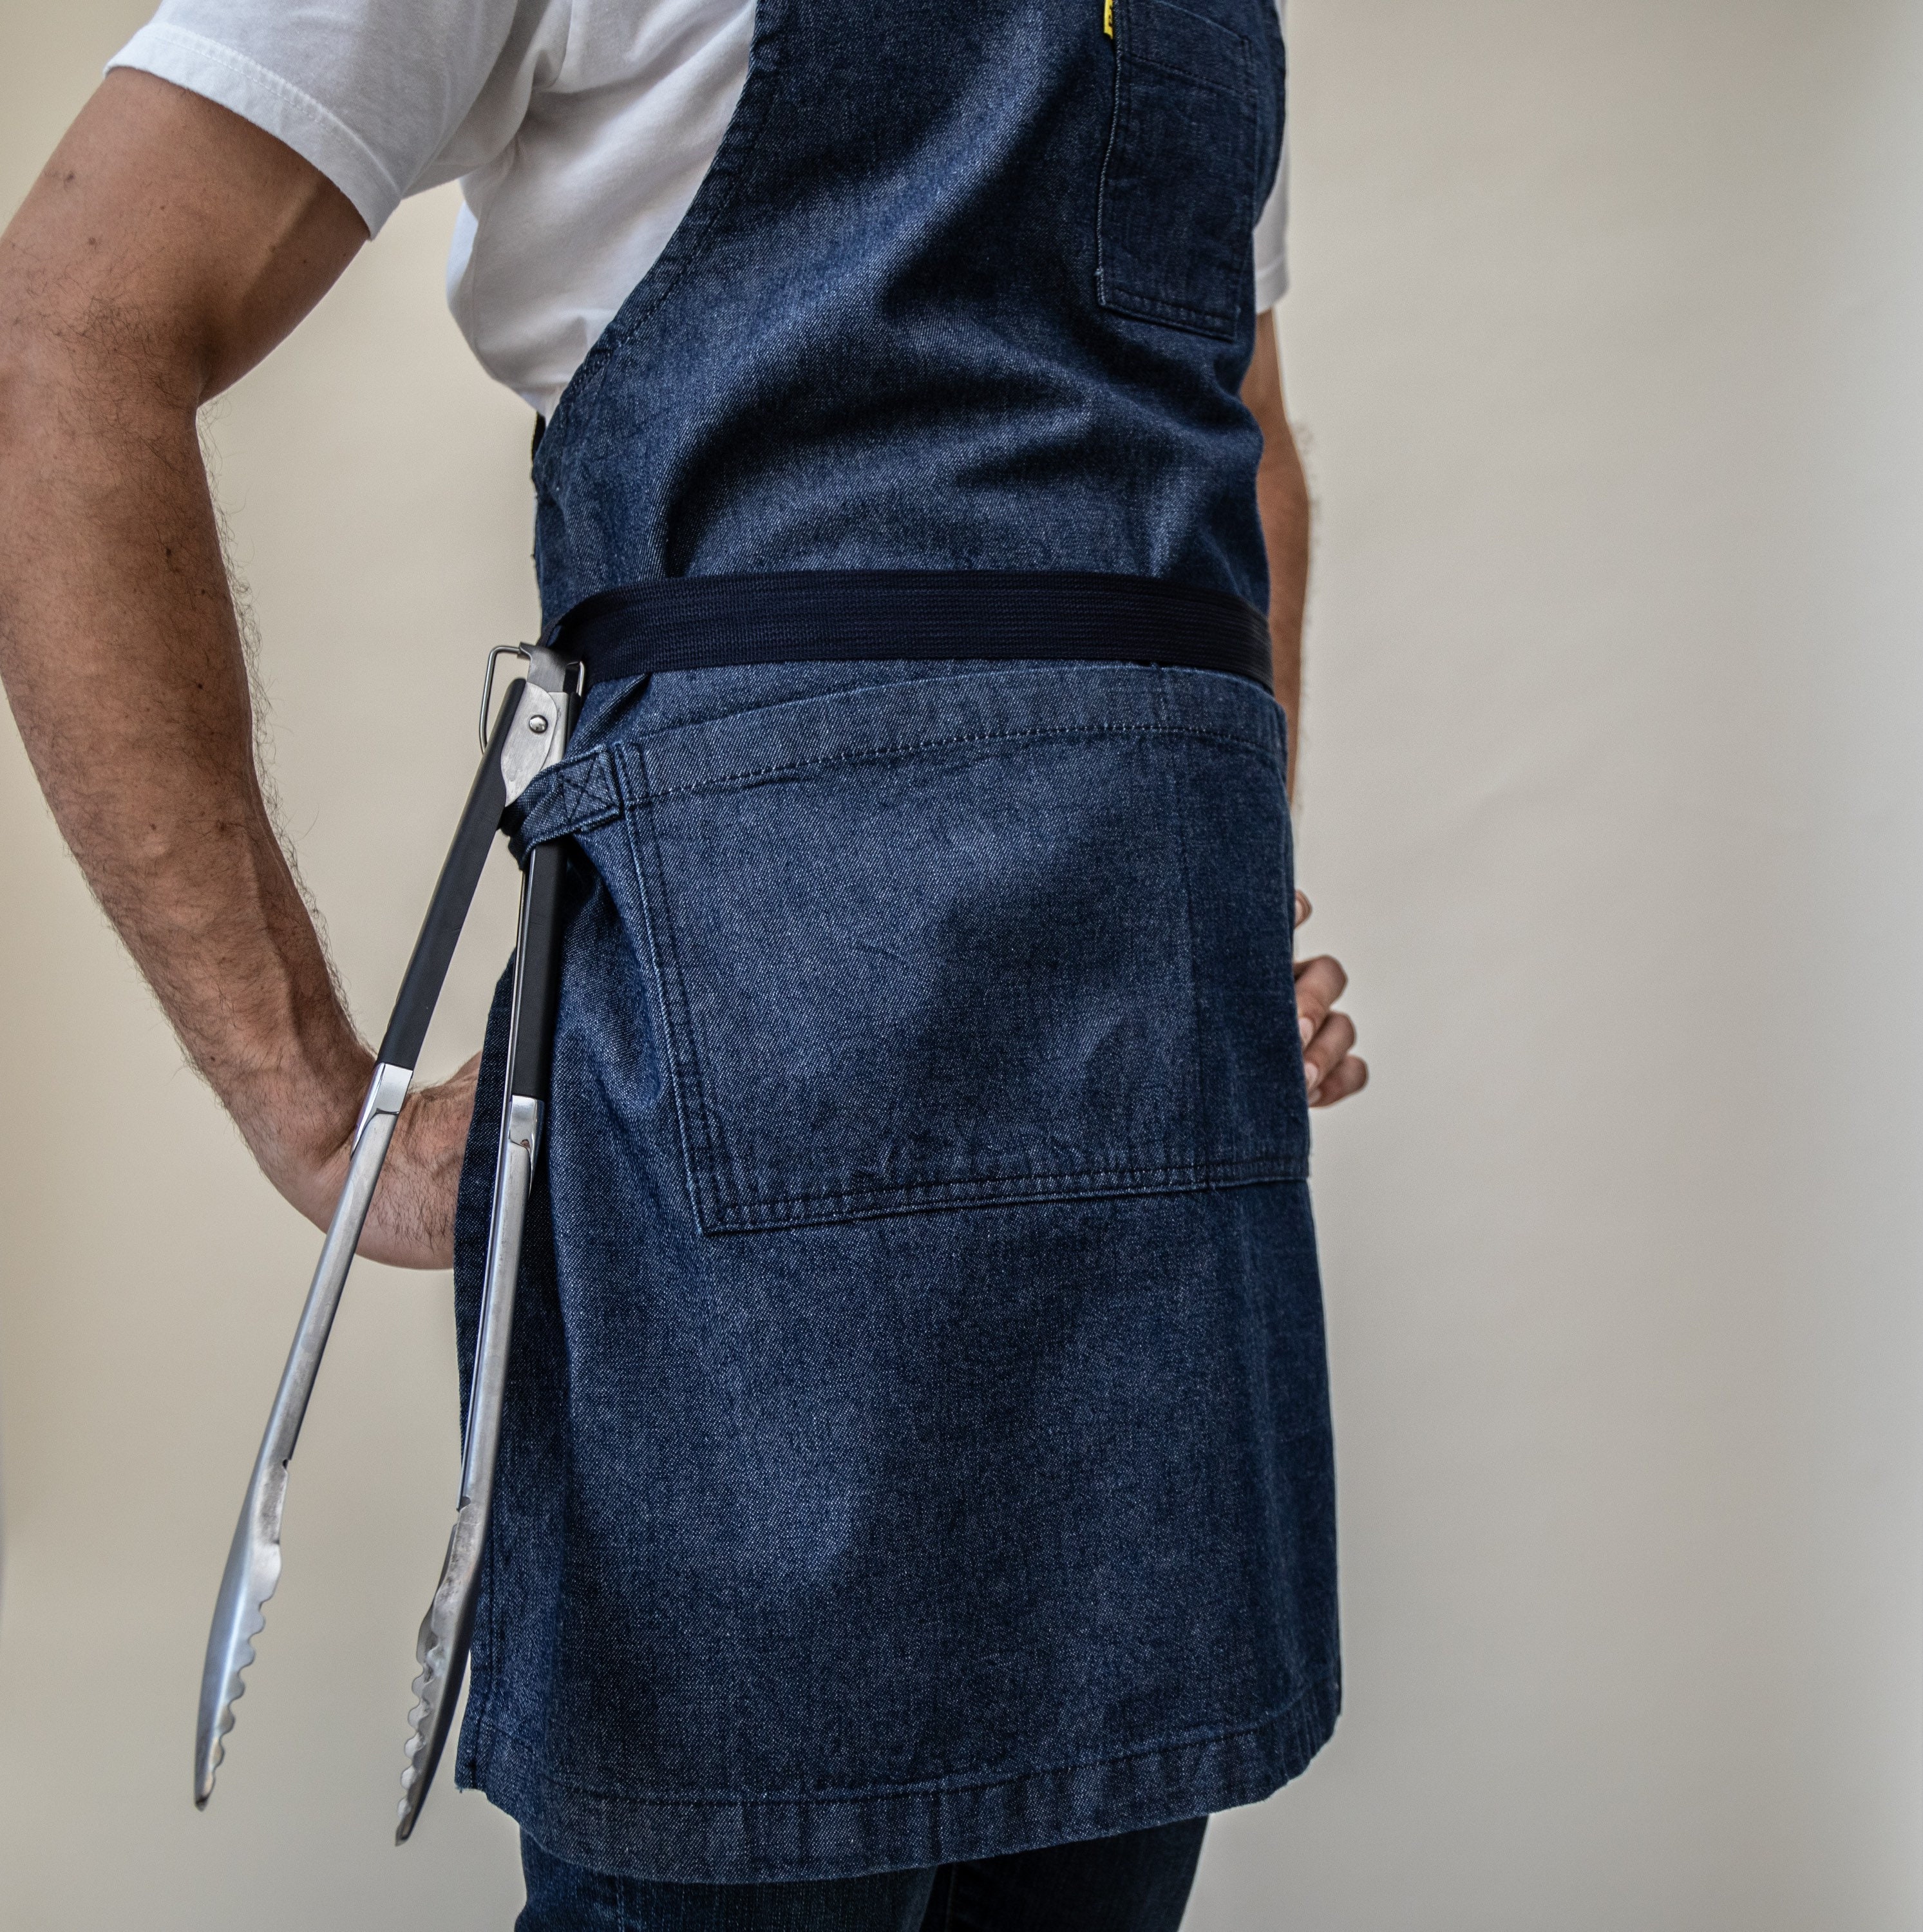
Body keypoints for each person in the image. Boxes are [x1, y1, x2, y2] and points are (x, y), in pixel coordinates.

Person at [0, 0, 1367, 1924]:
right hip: (750, 1086)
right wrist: (313, 1103)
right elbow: (65, 326)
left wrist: (1212, 909)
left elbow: (1243, 447)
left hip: (1162, 1131)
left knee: (1103, 1842)